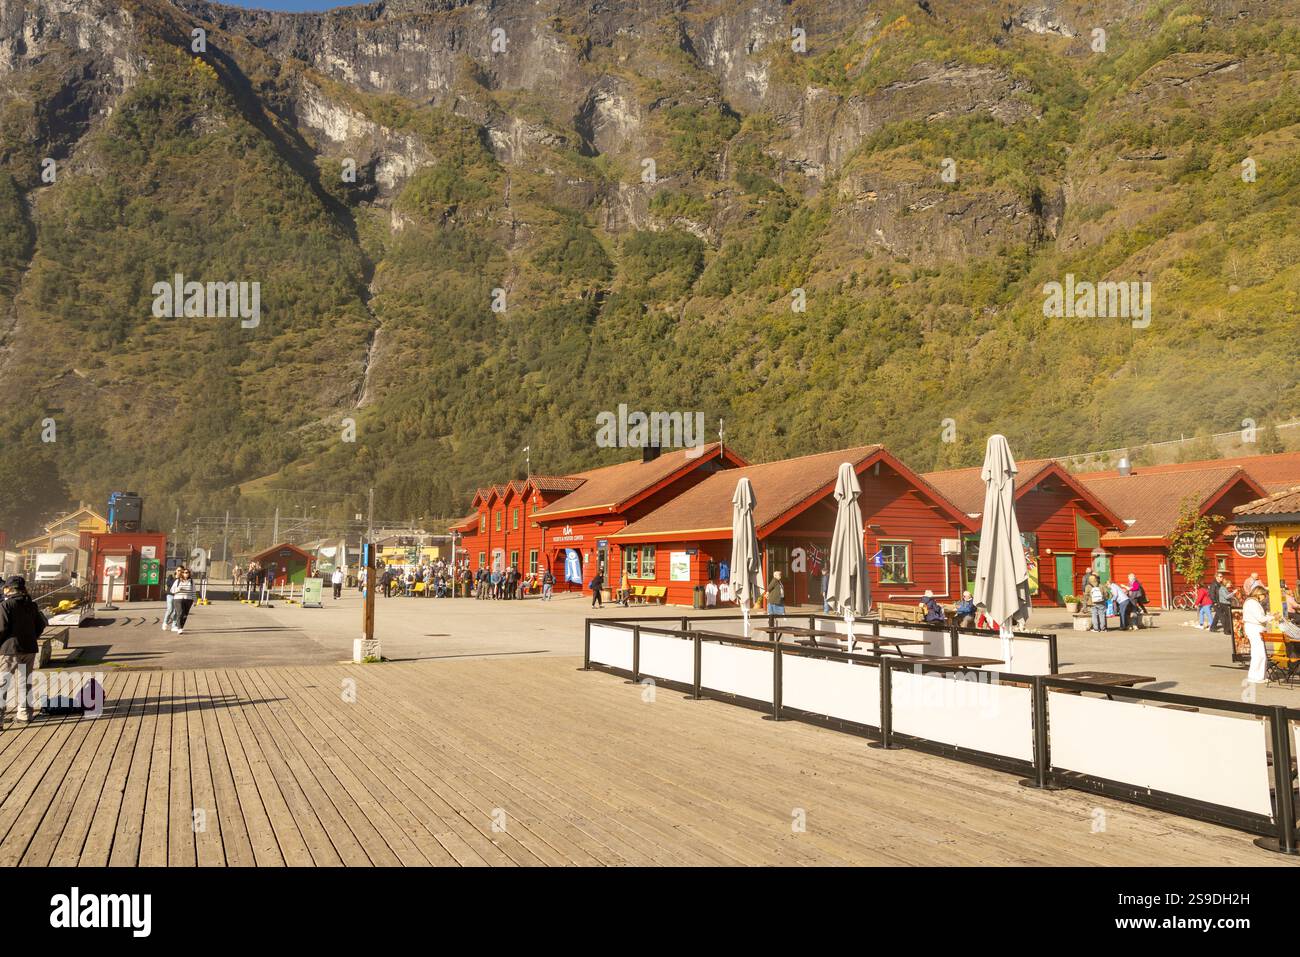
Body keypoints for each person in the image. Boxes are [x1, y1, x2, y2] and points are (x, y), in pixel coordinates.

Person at [0, 576, 46, 727]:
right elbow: (41, 624)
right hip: (29, 649)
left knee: (2, 684)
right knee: (24, 683)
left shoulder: (6, 605)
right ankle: (24, 715)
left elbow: (1, 629)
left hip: (10, 650)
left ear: (9, 589)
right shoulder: (32, 605)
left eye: (5, 587)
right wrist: (32, 637)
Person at [1242, 584, 1273, 685]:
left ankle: (1255, 675)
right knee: (1259, 654)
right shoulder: (1252, 603)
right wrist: (1271, 617)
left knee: (1257, 653)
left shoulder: (1251, 602)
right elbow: (1260, 618)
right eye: (1264, 595)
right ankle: (1257, 677)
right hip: (1254, 629)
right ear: (1259, 594)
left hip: (1253, 628)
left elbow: (1259, 617)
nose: (1264, 598)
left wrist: (1268, 616)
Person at [170, 566, 197, 635]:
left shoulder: (191, 581)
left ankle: (181, 627)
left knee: (185, 615)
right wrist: (178, 589)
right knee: (180, 612)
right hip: (178, 599)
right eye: (184, 572)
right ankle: (179, 628)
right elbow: (172, 590)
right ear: (182, 574)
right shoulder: (178, 581)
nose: (186, 574)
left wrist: (195, 600)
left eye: (187, 573)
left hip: (188, 599)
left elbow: (193, 591)